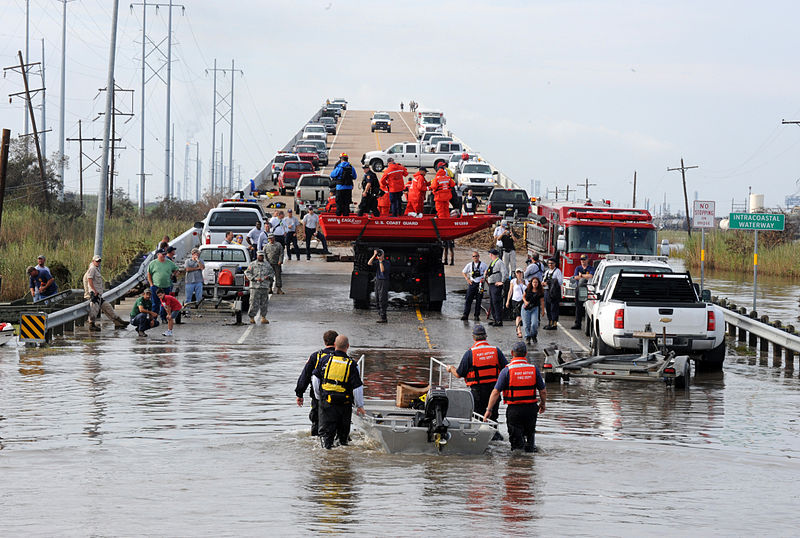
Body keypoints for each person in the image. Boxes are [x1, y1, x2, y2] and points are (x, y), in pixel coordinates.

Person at [445, 324, 507, 440]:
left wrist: (450, 368)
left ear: (473, 337)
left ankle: (480, 441)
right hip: (494, 392)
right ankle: (494, 438)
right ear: (486, 337)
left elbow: (459, 374)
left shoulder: (470, 354)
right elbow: (506, 370)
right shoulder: (496, 351)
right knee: (492, 419)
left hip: (478, 392)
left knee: (478, 419)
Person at [482, 341, 546, 452]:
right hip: (531, 409)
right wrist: (543, 404)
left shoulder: (507, 371)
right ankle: (530, 465)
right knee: (530, 439)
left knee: (516, 446)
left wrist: (489, 410)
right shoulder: (533, 369)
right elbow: (543, 391)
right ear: (525, 354)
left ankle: (517, 465)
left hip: (514, 411)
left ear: (512, 353)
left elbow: (496, 392)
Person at [312, 334, 365, 449]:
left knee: (326, 437)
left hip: (326, 403)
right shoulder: (351, 364)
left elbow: (315, 379)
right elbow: (357, 388)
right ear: (348, 346)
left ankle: (326, 458)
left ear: (335, 345)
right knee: (343, 439)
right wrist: (359, 405)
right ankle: (342, 462)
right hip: (344, 405)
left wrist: (318, 396)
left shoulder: (324, 359)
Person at [295, 330, 338, 437]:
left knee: (317, 423)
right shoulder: (342, 357)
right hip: (338, 398)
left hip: (318, 397)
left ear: (324, 342)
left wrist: (299, 394)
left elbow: (305, 376)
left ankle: (317, 442)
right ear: (336, 342)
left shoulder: (316, 356)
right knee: (337, 425)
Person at [82, 255, 128, 331]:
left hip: (98, 295)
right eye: (97, 261)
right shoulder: (92, 269)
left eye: (99, 261)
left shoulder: (96, 269)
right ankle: (91, 325)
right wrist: (93, 292)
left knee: (107, 307)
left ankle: (118, 321)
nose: (98, 262)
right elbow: (89, 280)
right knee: (94, 309)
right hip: (94, 294)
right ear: (93, 261)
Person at [244, 250, 275, 324]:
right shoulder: (252, 264)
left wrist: (268, 277)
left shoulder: (267, 265)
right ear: (257, 256)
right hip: (255, 287)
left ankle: (263, 317)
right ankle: (252, 317)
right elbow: (247, 272)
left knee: (264, 303)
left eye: (262, 256)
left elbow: (272, 273)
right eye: (259, 255)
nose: (260, 257)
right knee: (253, 303)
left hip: (264, 286)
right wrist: (254, 278)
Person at [147, 248, 179, 316]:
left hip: (166, 286)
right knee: (155, 303)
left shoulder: (169, 262)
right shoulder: (153, 263)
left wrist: (173, 274)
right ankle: (154, 317)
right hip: (156, 286)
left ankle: (163, 317)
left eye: (165, 254)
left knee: (165, 303)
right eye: (162, 254)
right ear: (158, 254)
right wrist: (151, 284)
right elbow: (149, 274)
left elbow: (176, 269)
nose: (164, 255)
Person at [570, 254, 595, 330]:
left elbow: (591, 276)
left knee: (590, 307)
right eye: (581, 260)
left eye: (584, 260)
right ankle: (578, 324)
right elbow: (575, 277)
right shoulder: (578, 268)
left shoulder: (591, 268)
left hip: (589, 289)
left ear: (587, 260)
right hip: (580, 289)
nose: (583, 261)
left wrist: (582, 275)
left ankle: (590, 326)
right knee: (578, 307)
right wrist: (583, 276)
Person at [461, 250, 487, 321]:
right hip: (472, 283)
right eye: (474, 256)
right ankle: (465, 314)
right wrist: (467, 279)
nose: (475, 257)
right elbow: (463, 272)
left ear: (479, 256)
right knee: (468, 299)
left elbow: (486, 272)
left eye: (476, 256)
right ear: (472, 257)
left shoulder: (483, 265)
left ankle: (476, 315)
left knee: (479, 300)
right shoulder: (469, 265)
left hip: (480, 284)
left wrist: (484, 278)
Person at [485, 248, 507, 326]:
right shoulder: (492, 262)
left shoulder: (499, 263)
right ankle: (495, 318)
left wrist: (502, 282)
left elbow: (504, 272)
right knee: (492, 302)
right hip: (491, 284)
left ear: (492, 254)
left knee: (496, 302)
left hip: (496, 285)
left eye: (490, 254)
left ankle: (499, 320)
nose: (489, 255)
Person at [369, 248, 391, 323]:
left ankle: (383, 317)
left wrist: (381, 261)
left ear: (383, 255)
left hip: (384, 281)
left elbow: (382, 270)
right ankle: (380, 315)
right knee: (377, 298)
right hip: (378, 280)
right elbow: (369, 263)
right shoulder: (376, 262)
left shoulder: (386, 262)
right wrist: (374, 255)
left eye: (380, 254)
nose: (379, 256)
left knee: (382, 299)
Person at [521, 277, 545, 344]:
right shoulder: (528, 289)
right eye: (533, 282)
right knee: (526, 324)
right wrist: (525, 302)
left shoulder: (540, 291)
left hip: (535, 308)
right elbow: (523, 296)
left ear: (538, 283)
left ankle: (534, 335)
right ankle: (527, 337)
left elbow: (542, 301)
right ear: (531, 283)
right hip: (526, 308)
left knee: (534, 324)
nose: (535, 284)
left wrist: (543, 310)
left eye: (536, 282)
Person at [542, 258, 563, 330]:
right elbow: (544, 280)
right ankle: (550, 322)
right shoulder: (547, 271)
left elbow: (560, 282)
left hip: (554, 293)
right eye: (549, 263)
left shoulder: (558, 271)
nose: (550, 265)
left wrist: (550, 282)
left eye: (552, 263)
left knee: (554, 308)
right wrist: (543, 283)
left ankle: (554, 324)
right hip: (547, 291)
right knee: (547, 308)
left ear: (555, 264)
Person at [506, 269, 527, 339]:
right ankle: (519, 331)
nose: (519, 274)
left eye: (520, 272)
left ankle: (524, 329)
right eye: (517, 273)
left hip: (523, 300)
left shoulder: (525, 281)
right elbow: (510, 291)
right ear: (516, 274)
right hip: (515, 300)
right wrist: (508, 301)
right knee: (518, 316)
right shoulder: (513, 281)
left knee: (524, 316)